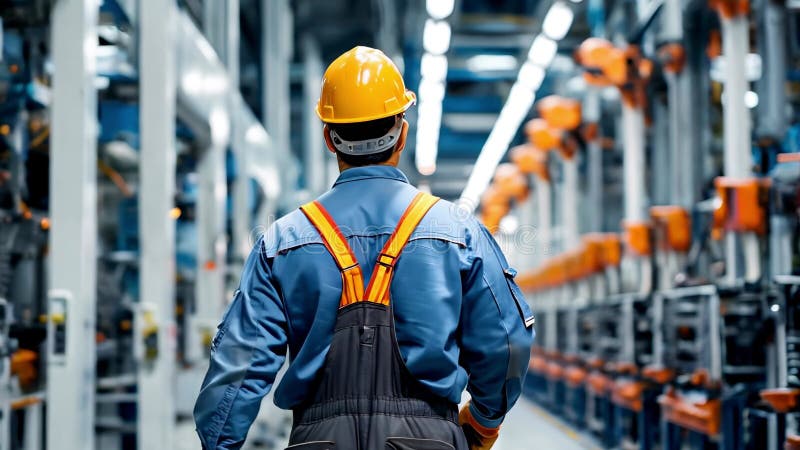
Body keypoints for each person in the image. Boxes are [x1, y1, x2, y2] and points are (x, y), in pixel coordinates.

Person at [194, 46, 535, 450]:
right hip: (431, 440)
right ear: (402, 132)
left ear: (328, 138)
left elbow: (238, 365)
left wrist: (219, 442)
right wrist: (483, 419)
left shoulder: (281, 240)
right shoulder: (458, 231)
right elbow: (506, 342)